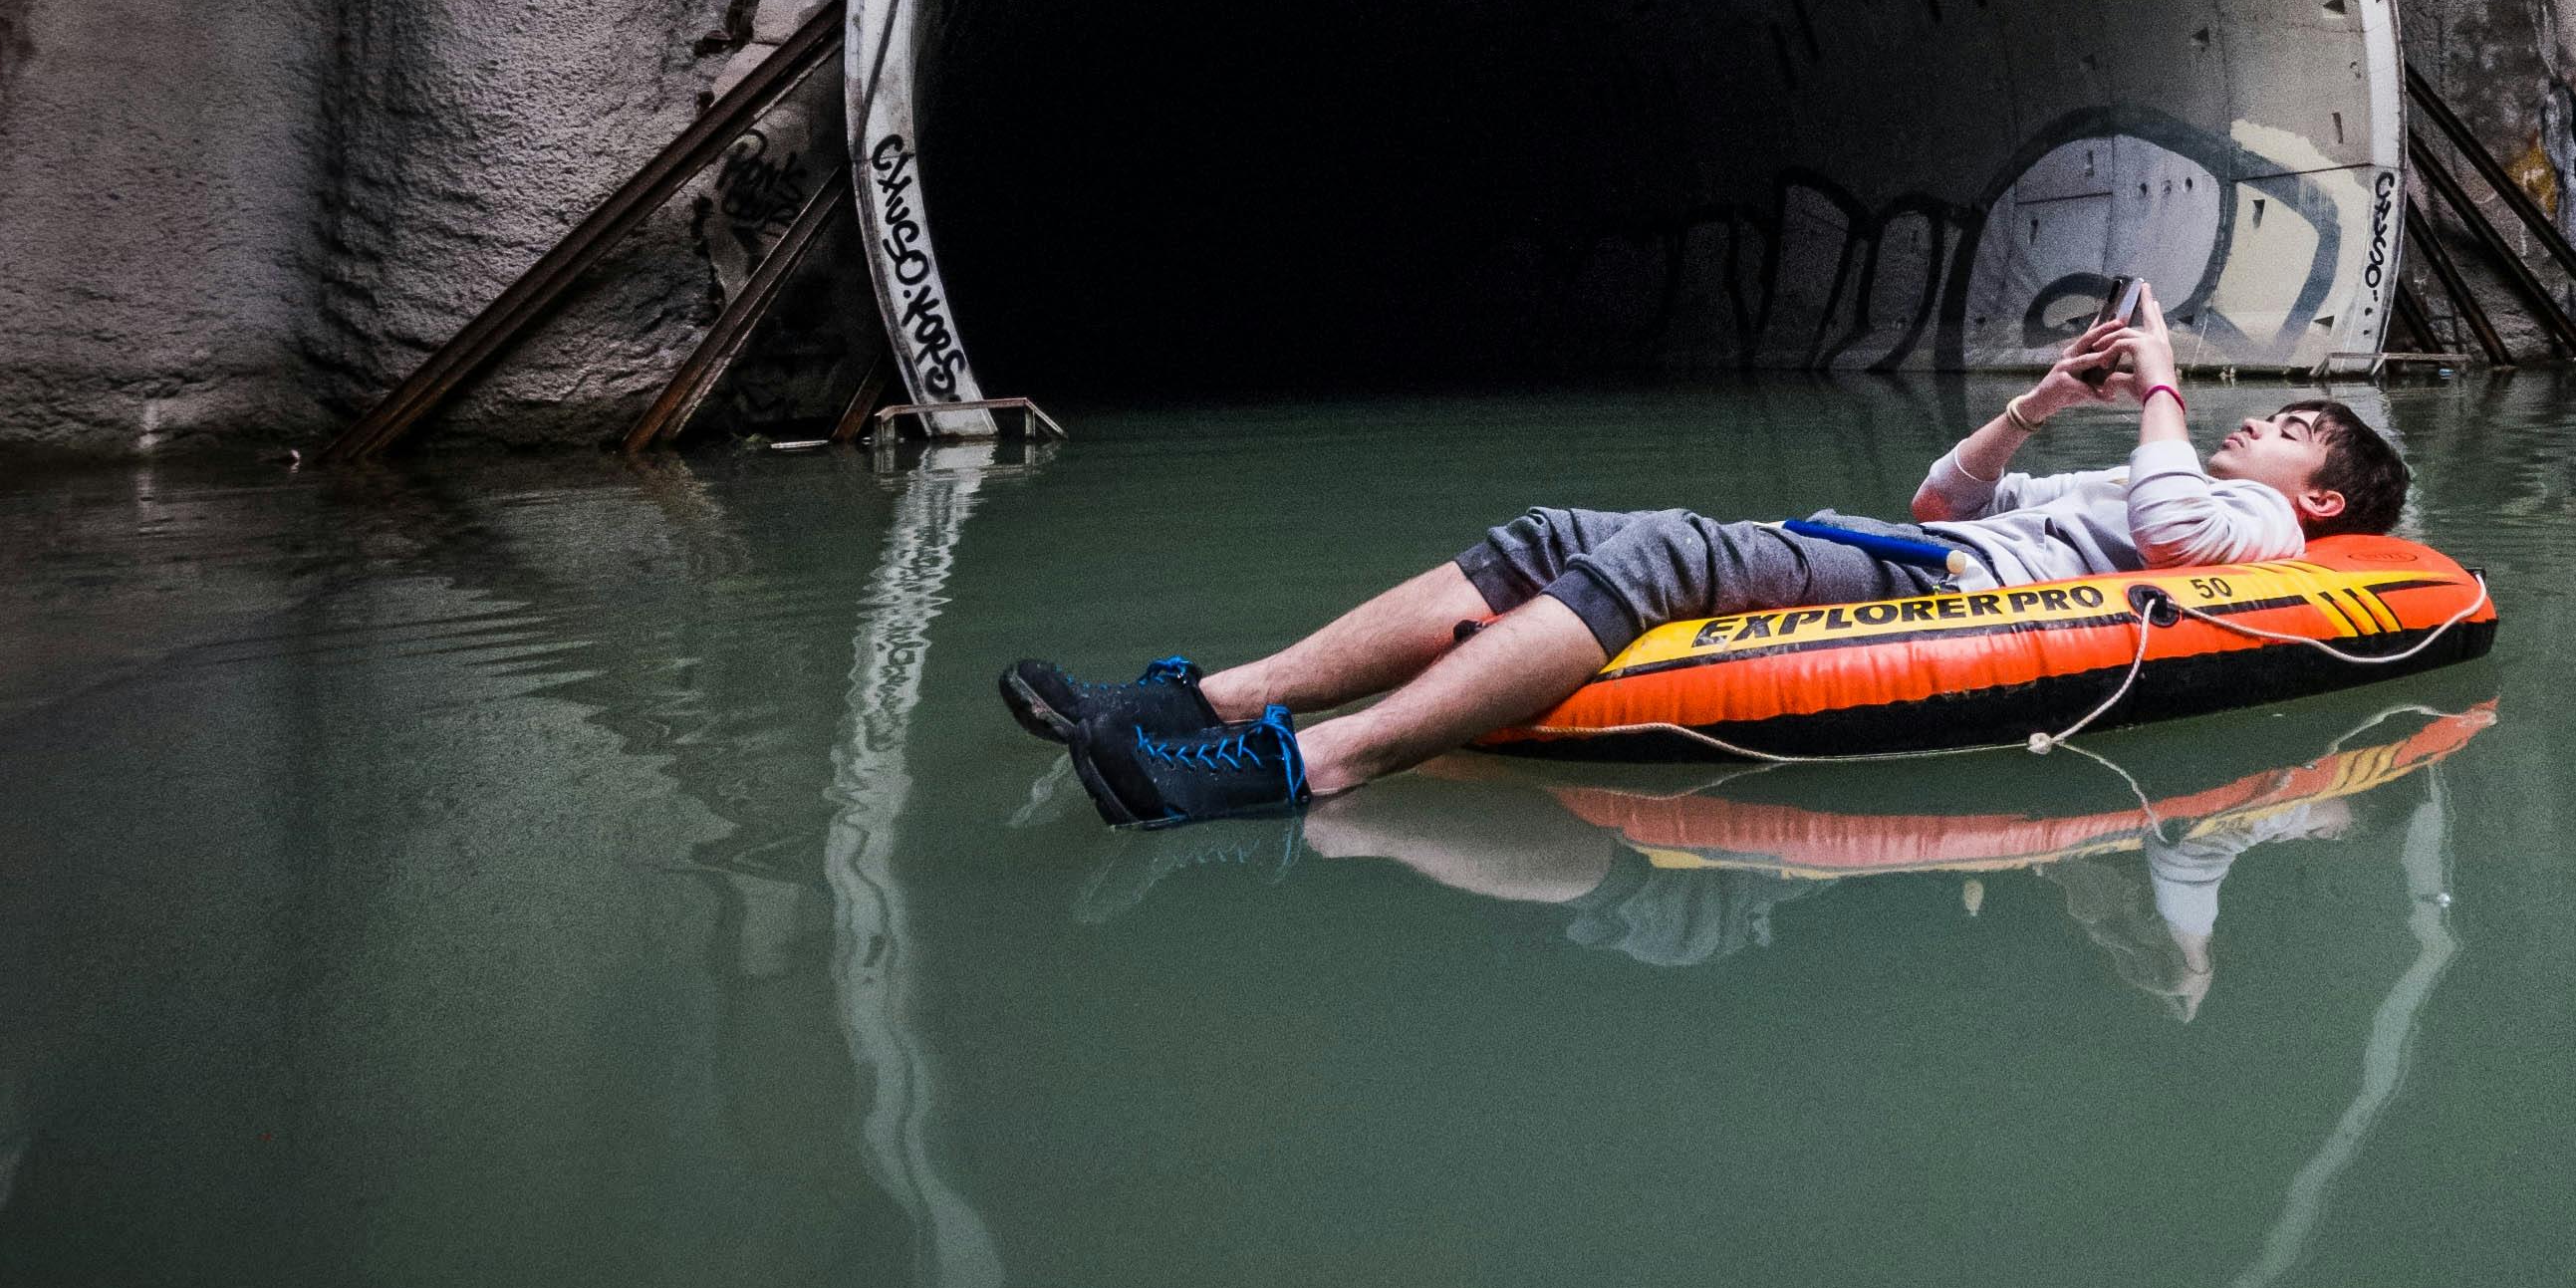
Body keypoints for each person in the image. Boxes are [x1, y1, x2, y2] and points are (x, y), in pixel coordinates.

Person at [1006, 313, 2415, 828]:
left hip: (1943, 598)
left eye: (2292, 429)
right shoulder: (2140, 473)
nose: (2259, 425)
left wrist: (2162, 387)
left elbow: (2175, 536)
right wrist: (2042, 403)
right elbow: (1941, 497)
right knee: (1553, 533)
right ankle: (1211, 700)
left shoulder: (2261, 533)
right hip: (1916, 548)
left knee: (1669, 552)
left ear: (2326, 495)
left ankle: (1309, 768)